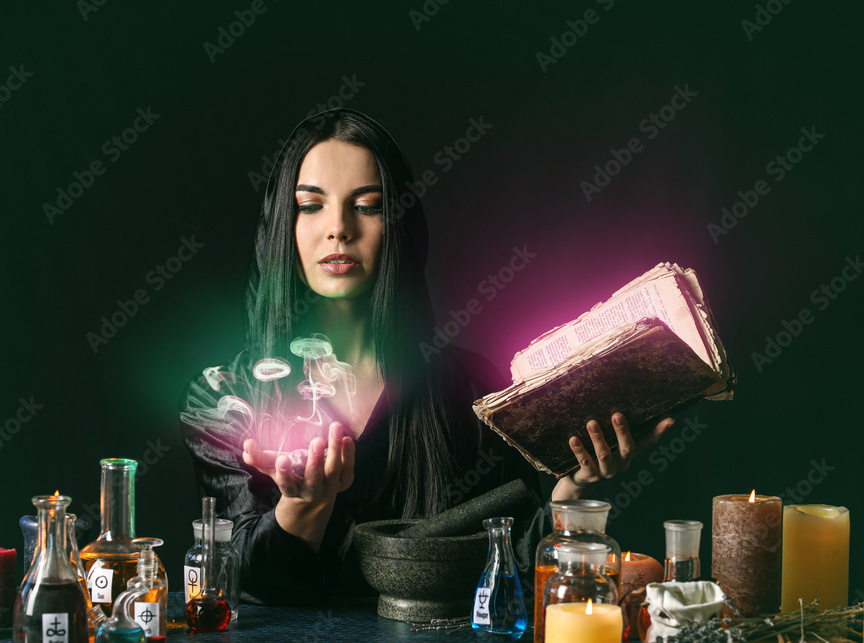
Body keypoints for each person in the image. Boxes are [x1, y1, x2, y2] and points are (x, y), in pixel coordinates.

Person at [180, 108, 674, 605]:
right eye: (311, 206)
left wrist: (576, 489)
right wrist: (304, 506)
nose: (339, 229)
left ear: (400, 225)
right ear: (281, 226)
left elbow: (512, 559)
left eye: (368, 206)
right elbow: (242, 579)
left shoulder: (475, 391)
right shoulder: (227, 396)